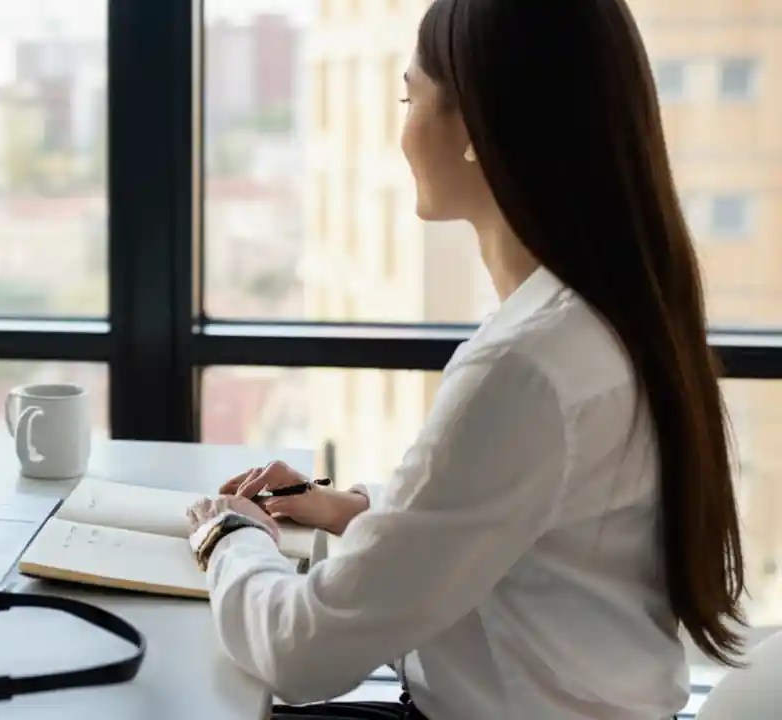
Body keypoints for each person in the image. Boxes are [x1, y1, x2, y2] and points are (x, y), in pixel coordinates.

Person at [185, 1, 747, 718]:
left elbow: (304, 652)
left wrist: (228, 537)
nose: (402, 129)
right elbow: (516, 537)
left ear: (477, 126)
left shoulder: (526, 368)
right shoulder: (605, 315)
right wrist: (355, 513)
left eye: (408, 96)